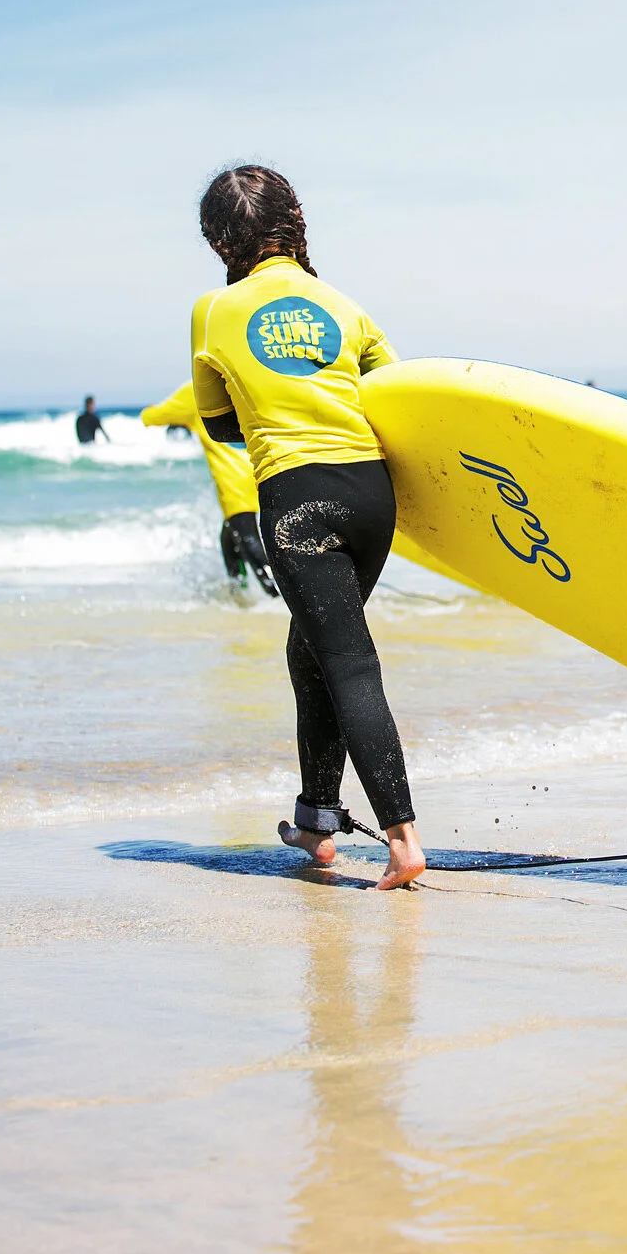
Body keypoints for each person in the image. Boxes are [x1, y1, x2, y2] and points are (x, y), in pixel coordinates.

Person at [191, 163, 425, 890]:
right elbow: (399, 399)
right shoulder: (345, 306)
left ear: (221, 241)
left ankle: (403, 843)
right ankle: (317, 824)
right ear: (294, 222)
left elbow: (217, 422)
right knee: (312, 651)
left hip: (298, 501)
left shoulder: (214, 311)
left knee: (348, 662)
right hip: (373, 497)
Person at [140, 382, 278, 596]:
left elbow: (153, 417)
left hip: (233, 480)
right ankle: (240, 595)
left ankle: (276, 594)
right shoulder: (240, 384)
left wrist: (147, 412)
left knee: (248, 537)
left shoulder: (195, 392)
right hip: (260, 469)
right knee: (229, 539)